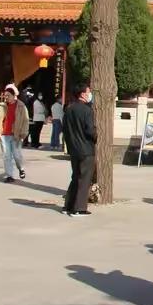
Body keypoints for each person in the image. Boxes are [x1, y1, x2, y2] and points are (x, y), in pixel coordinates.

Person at [62, 83, 97, 217]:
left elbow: (65, 129)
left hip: (73, 149)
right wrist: (96, 135)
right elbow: (90, 131)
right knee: (84, 179)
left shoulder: (69, 109)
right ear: (82, 94)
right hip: (86, 149)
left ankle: (68, 206)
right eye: (88, 92)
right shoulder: (87, 111)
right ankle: (79, 208)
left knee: (75, 177)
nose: (89, 94)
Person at [0, 87, 28, 183]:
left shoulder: (21, 106)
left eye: (8, 95)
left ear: (14, 96)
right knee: (6, 155)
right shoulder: (2, 106)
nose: (6, 97)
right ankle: (10, 175)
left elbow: (25, 121)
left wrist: (24, 134)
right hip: (4, 134)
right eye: (5, 96)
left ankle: (21, 168)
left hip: (16, 134)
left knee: (17, 155)